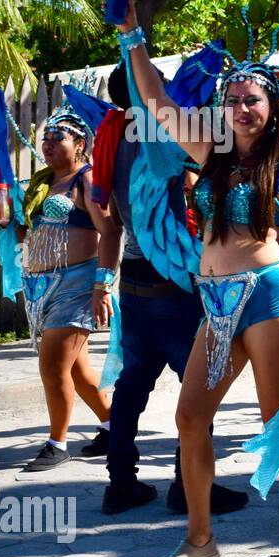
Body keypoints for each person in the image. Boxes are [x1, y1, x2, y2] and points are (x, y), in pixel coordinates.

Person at [116, 0, 279, 557]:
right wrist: (131, 34)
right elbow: (157, 101)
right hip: (213, 301)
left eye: (252, 100)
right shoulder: (208, 152)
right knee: (191, 416)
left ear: (273, 107)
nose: (240, 108)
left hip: (269, 294)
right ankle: (199, 541)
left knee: (277, 418)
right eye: (232, 100)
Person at [95, 65, 249, 515]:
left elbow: (114, 222)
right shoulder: (156, 136)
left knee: (133, 381)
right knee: (201, 382)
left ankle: (120, 482)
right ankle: (190, 486)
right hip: (172, 278)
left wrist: (105, 282)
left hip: (135, 275)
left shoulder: (113, 134)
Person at [0, 103, 118, 472]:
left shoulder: (88, 179)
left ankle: (57, 443)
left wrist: (103, 285)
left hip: (77, 285)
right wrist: (5, 216)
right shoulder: (41, 183)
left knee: (52, 367)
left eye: (58, 138)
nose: (48, 145)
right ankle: (116, 428)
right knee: (78, 370)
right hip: (40, 287)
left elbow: (111, 231)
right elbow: (25, 232)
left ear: (80, 142)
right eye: (45, 138)